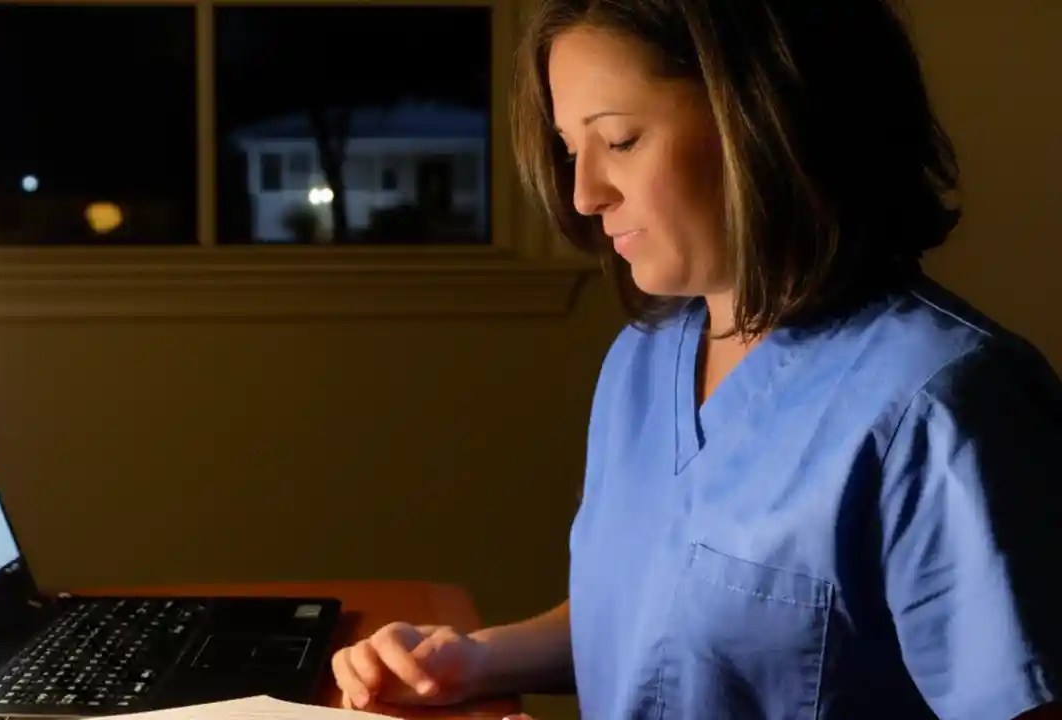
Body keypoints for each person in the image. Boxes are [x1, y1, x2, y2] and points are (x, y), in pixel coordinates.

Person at [331, 0, 1062, 717]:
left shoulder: (946, 405)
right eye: (568, 149)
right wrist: (480, 658)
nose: (584, 194)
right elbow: (674, 612)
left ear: (768, 121)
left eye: (617, 140)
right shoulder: (644, 365)